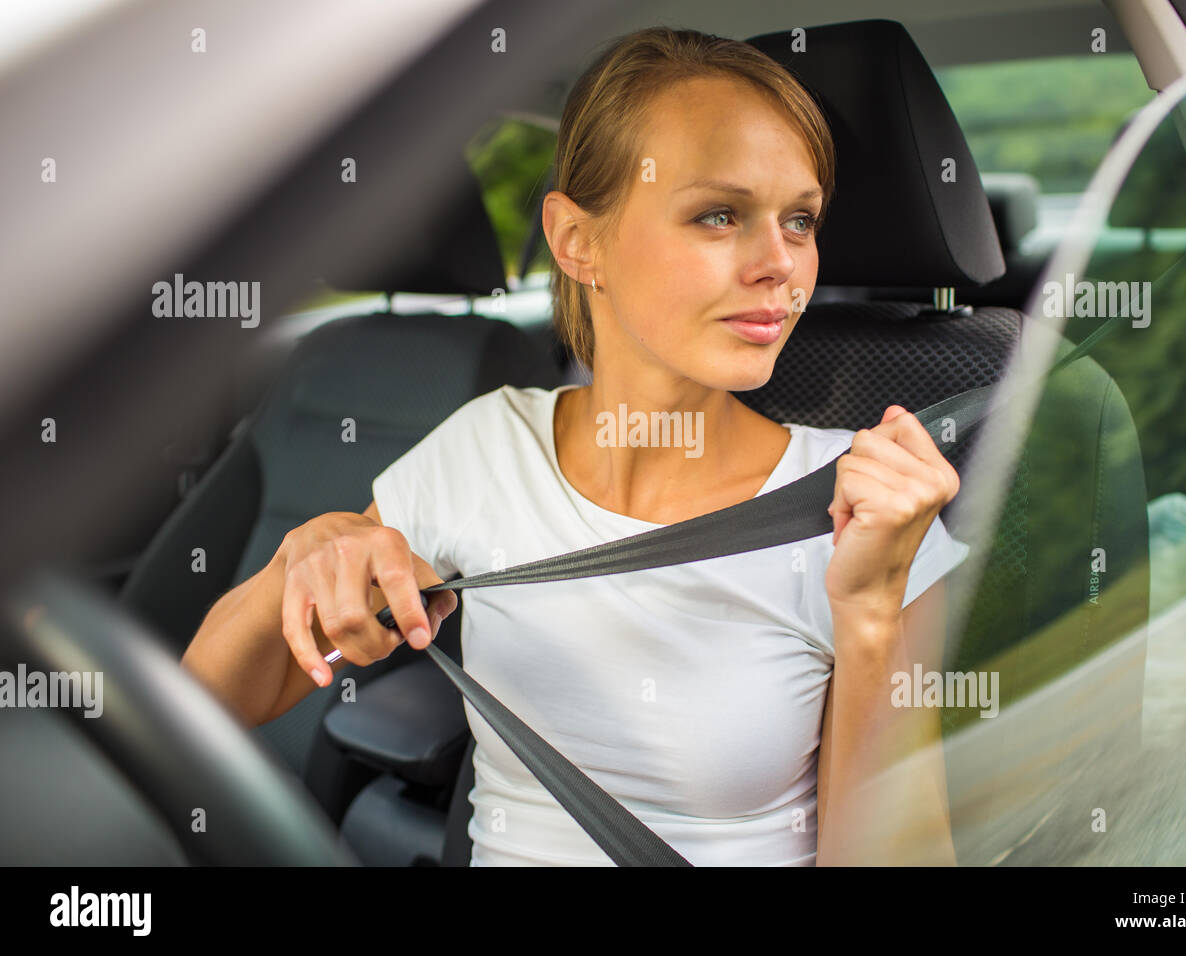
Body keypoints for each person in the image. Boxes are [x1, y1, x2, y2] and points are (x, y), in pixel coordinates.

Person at [182, 26, 968, 866]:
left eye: (801, 220)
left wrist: (873, 616)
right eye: (718, 215)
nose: (783, 264)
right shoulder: (484, 450)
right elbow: (209, 705)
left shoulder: (867, 505)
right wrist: (298, 568)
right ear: (576, 242)